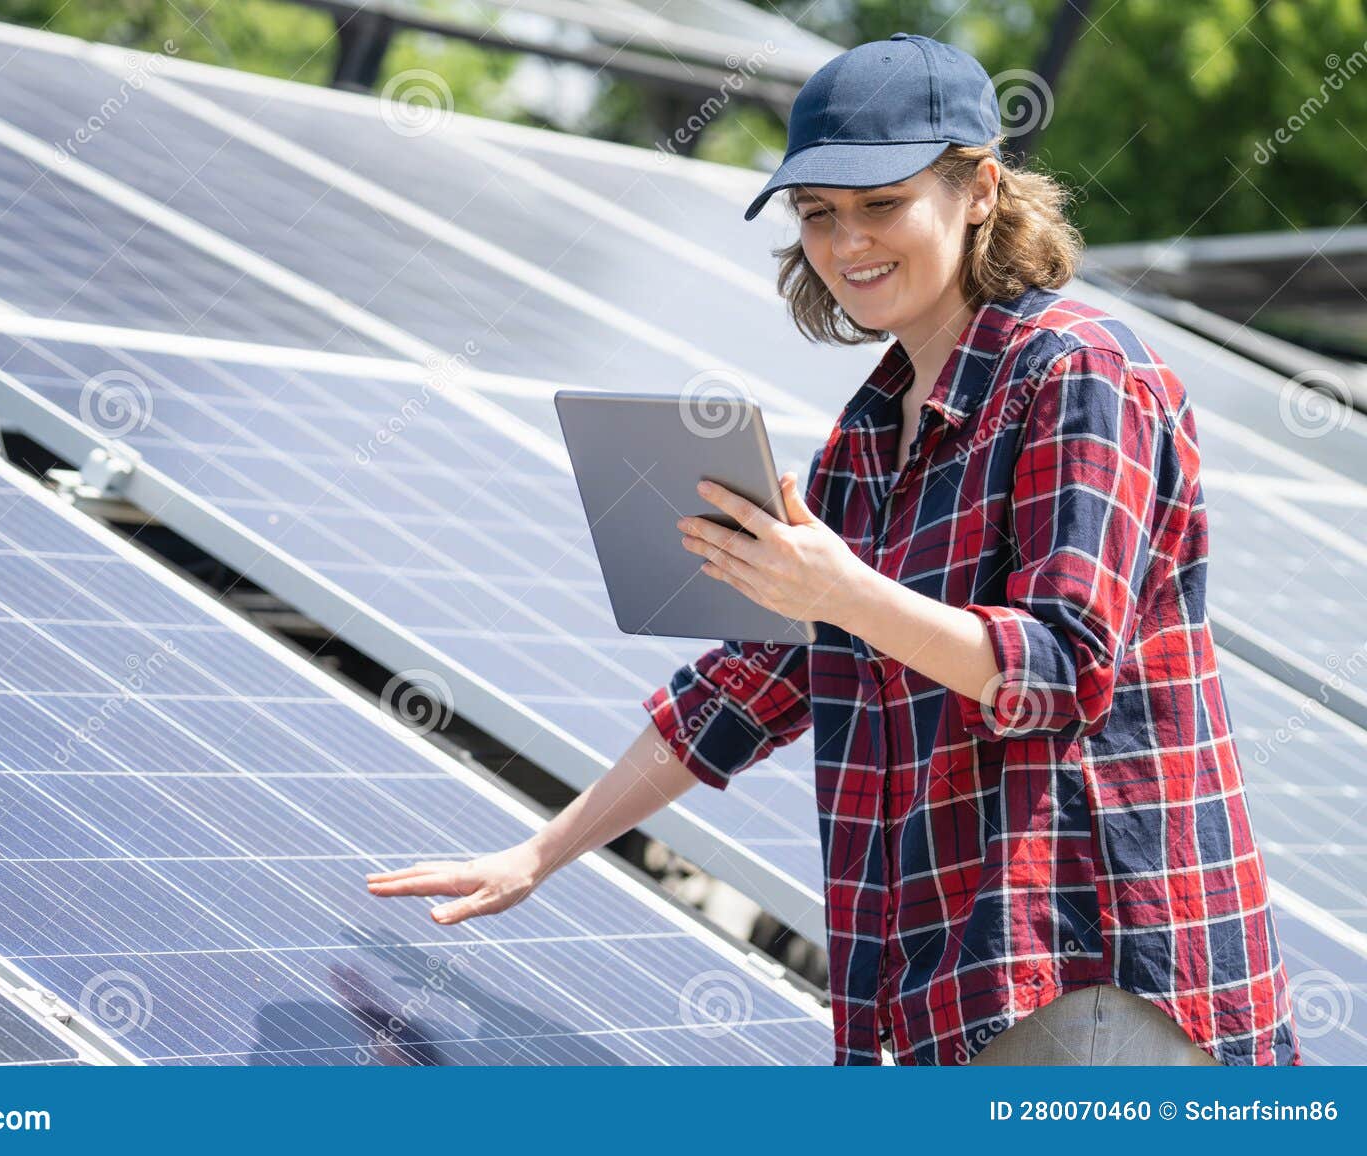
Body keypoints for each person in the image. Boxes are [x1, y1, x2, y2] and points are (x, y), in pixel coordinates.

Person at [366, 33, 1301, 1067]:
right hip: (940, 987)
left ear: (980, 189)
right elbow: (754, 677)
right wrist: (538, 853)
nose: (846, 240)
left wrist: (844, 592)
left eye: (881, 203)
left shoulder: (1079, 371)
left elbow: (1061, 667)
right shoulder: (866, 439)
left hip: (1094, 971)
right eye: (818, 213)